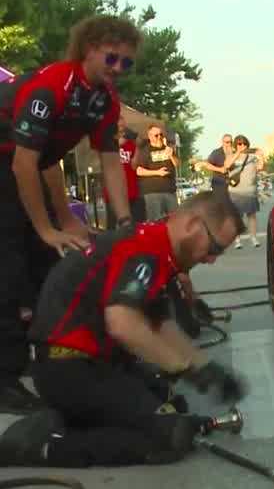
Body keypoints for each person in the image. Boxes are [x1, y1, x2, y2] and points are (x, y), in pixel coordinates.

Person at [0, 191, 247, 468]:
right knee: (169, 437)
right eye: (213, 248)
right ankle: (41, 447)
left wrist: (206, 368)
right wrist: (184, 368)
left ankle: (67, 420)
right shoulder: (146, 250)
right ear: (192, 224)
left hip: (92, 364)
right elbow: (122, 322)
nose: (211, 259)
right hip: (68, 367)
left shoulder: (156, 247)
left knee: (170, 402)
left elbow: (160, 324)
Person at [0, 15, 140, 414]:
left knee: (52, 260)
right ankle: (4, 378)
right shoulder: (53, 86)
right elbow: (24, 165)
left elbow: (106, 162)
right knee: (9, 261)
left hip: (20, 165)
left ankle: (56, 353)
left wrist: (124, 224)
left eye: (126, 64)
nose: (118, 70)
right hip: (8, 164)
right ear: (88, 49)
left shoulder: (104, 101)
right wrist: (46, 227)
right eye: (111, 59)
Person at [103, 115, 146, 229]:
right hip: (114, 194)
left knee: (135, 227)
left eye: (122, 122)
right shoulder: (106, 142)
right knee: (113, 228)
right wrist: (118, 143)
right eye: (118, 123)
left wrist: (138, 147)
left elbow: (134, 166)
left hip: (131, 192)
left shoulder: (130, 143)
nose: (121, 126)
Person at [224, 135, 265, 248]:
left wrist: (261, 157)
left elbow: (260, 167)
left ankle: (253, 238)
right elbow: (226, 166)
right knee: (237, 216)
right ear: (235, 145)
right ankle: (237, 240)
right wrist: (237, 153)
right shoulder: (231, 156)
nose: (242, 146)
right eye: (239, 144)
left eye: (244, 144)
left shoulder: (251, 157)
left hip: (250, 190)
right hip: (235, 192)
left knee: (251, 215)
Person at [136, 124, 179, 221]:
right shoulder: (145, 151)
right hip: (152, 192)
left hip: (169, 191)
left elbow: (177, 164)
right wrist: (157, 172)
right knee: (156, 221)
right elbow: (139, 171)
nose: (159, 137)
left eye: (161, 135)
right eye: (156, 135)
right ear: (150, 137)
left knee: (175, 220)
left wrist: (171, 155)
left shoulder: (168, 148)